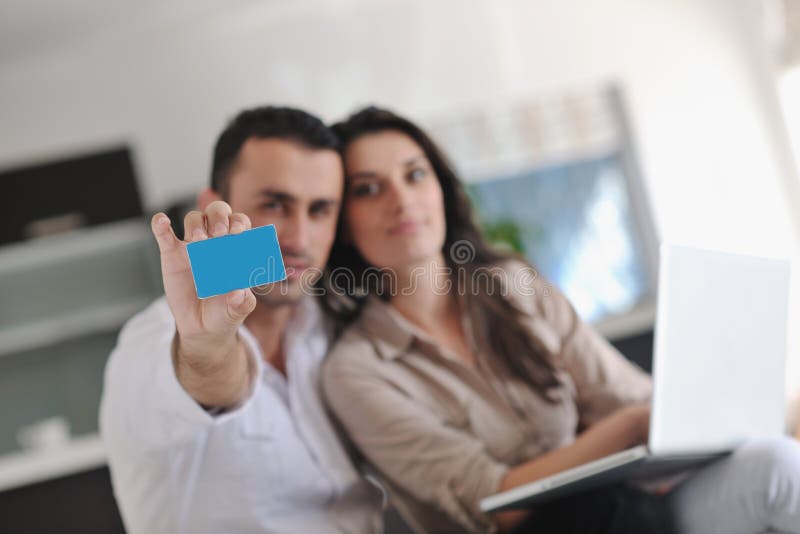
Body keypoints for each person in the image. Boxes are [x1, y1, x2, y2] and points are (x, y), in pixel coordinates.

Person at [320, 106, 800, 534]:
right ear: (343, 222)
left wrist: (704, 417)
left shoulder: (512, 286)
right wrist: (631, 427)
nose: (402, 200)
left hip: (625, 512)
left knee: (777, 464)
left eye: (414, 174)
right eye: (368, 189)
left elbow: (624, 393)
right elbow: (494, 503)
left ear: (440, 187)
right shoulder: (358, 368)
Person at [100, 106, 382, 534]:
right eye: (275, 203)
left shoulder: (329, 324)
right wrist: (209, 347)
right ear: (213, 207)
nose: (299, 239)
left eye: (320, 209)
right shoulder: (148, 341)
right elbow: (204, 375)